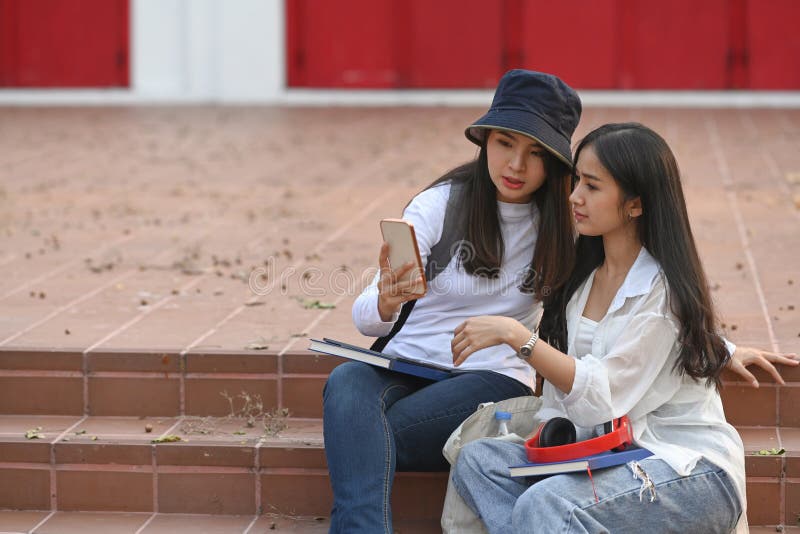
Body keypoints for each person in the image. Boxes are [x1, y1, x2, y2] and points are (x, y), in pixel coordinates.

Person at [323, 71, 798, 533]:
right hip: (411, 368)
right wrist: (386, 302)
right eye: (504, 143)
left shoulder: (570, 223)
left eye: (534, 153)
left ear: (553, 162)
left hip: (502, 383)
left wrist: (723, 348)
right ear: (484, 141)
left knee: (381, 441)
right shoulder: (444, 207)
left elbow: (653, 314)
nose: (515, 165)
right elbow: (366, 319)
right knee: (351, 384)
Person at [448, 123, 769, 533]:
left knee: (548, 505)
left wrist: (518, 337)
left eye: (593, 186)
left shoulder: (662, 294)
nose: (574, 196)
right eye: (577, 180)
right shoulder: (582, 282)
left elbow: (603, 396)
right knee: (479, 462)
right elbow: (570, 401)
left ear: (635, 205)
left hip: (685, 468)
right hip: (605, 455)